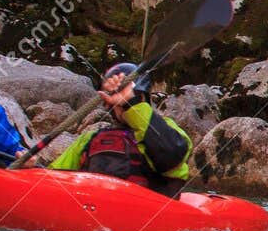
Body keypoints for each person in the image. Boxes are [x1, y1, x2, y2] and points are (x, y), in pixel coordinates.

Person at [49, 63, 193, 196]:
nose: (122, 105)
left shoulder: (168, 130)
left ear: (144, 100)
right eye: (118, 102)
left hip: (149, 211)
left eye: (135, 98)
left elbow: (171, 154)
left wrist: (131, 104)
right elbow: (53, 178)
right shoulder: (89, 139)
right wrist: (34, 167)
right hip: (97, 206)